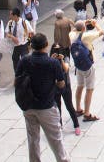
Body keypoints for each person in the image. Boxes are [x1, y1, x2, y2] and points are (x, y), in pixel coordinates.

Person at [16, 33, 71, 162]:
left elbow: (17, 80)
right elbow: (61, 83)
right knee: (55, 139)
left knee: (33, 139)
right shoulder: (52, 63)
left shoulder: (24, 60)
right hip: (46, 106)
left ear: (32, 46)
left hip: (28, 105)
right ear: (46, 45)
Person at [70, 19, 103, 121]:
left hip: (78, 65)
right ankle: (87, 113)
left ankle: (78, 108)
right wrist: (95, 24)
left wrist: (83, 23)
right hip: (87, 65)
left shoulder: (71, 35)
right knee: (90, 89)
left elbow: (76, 28)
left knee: (80, 86)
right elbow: (101, 32)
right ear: (84, 28)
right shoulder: (86, 36)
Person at [49, 43, 81, 137]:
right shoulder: (50, 59)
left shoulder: (65, 58)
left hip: (65, 86)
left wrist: (61, 59)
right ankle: (60, 125)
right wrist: (51, 59)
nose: (57, 52)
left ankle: (76, 125)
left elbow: (66, 69)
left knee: (69, 106)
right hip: (55, 86)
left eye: (58, 50)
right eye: (55, 49)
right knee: (57, 107)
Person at [6, 8, 33, 72]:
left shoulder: (24, 22)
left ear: (15, 16)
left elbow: (31, 33)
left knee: (25, 60)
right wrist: (12, 37)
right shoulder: (10, 23)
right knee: (15, 59)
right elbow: (7, 33)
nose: (9, 16)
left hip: (24, 45)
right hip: (15, 46)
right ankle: (17, 74)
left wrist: (29, 43)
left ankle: (26, 74)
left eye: (10, 15)